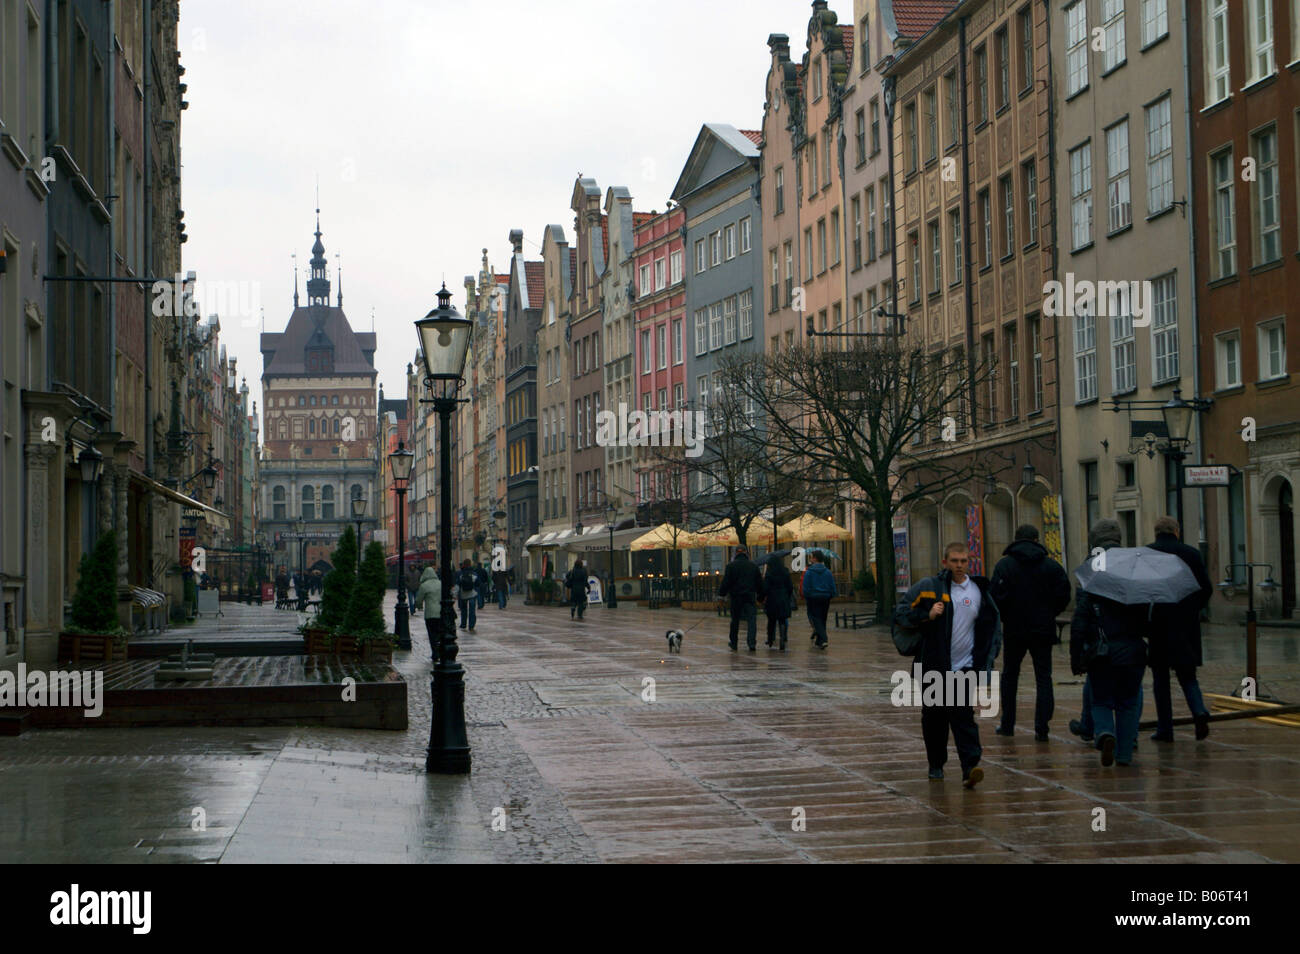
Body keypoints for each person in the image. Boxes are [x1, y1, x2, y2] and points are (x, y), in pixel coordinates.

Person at [895, 542, 1001, 788]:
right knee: (934, 718)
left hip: (964, 668)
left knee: (963, 717)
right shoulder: (929, 587)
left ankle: (970, 768)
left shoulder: (979, 591)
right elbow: (900, 614)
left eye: (963, 561)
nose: (959, 566)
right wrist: (927, 615)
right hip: (933, 665)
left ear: (969, 562)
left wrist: (987, 658)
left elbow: (990, 627)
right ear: (945, 562)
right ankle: (936, 765)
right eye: (954, 561)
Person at [1070, 518, 1147, 767]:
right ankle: (1124, 754)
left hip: (1101, 649)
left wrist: (1076, 657)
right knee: (1128, 702)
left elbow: (1080, 619)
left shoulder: (1090, 568)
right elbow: (1149, 614)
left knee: (1101, 699)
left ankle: (1104, 733)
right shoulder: (1136, 567)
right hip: (1133, 649)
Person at [990, 524, 1072, 740]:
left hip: (1014, 629)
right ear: (1037, 540)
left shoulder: (1005, 565)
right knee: (1043, 677)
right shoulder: (1051, 566)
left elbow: (994, 597)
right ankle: (1042, 728)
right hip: (1043, 628)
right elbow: (1064, 594)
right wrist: (1049, 612)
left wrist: (1007, 613)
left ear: (1016, 539)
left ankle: (1007, 724)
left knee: (1010, 676)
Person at [1147, 516, 1213, 742]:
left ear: (1156, 532)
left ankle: (1165, 728)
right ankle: (1199, 711)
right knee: (1187, 675)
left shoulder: (1147, 554)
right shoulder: (1192, 554)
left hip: (1158, 623)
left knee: (1160, 678)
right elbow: (1206, 588)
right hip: (1186, 624)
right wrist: (1192, 608)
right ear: (1177, 531)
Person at [718, 547, 764, 651]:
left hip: (736, 597)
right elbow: (759, 583)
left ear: (736, 554)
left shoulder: (731, 566)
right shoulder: (753, 566)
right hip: (749, 597)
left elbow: (726, 583)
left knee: (735, 620)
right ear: (746, 553)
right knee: (752, 620)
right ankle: (751, 642)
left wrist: (721, 596)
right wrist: (761, 597)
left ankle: (734, 642)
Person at [800, 551, 837, 649]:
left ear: (815, 558)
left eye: (811, 557)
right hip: (825, 597)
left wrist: (806, 596)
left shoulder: (809, 572)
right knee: (822, 618)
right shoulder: (828, 572)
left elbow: (806, 586)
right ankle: (819, 641)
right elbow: (832, 585)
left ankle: (824, 638)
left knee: (815, 618)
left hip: (813, 597)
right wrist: (832, 595)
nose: (810, 559)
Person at [761, 554, 795, 651]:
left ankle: (770, 638)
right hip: (783, 598)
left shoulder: (769, 573)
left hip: (772, 599)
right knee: (782, 619)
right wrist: (787, 595)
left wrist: (763, 597)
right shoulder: (785, 571)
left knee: (771, 620)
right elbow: (790, 586)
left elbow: (765, 588)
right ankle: (783, 636)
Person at [413, 564, 444, 660]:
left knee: (432, 634)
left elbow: (418, 600)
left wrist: (418, 606)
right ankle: (441, 651)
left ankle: (435, 653)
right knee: (440, 633)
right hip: (441, 613)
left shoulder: (424, 586)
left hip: (430, 614)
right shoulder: (441, 584)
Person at [456, 559, 478, 631]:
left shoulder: (460, 573)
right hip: (472, 594)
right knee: (472, 610)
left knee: (464, 610)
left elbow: (458, 583)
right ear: (470, 564)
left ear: (463, 565)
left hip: (463, 594)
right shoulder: (474, 573)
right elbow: (478, 583)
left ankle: (463, 624)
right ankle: (471, 625)